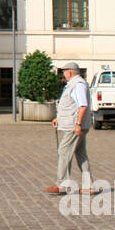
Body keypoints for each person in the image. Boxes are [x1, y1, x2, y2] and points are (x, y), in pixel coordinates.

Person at [46, 62, 93, 194]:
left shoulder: (78, 85)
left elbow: (82, 105)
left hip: (74, 127)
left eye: (64, 72)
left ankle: (62, 184)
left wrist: (78, 124)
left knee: (64, 151)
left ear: (70, 72)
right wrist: (58, 119)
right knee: (81, 155)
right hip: (74, 125)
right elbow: (70, 106)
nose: (63, 74)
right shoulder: (74, 85)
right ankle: (88, 186)